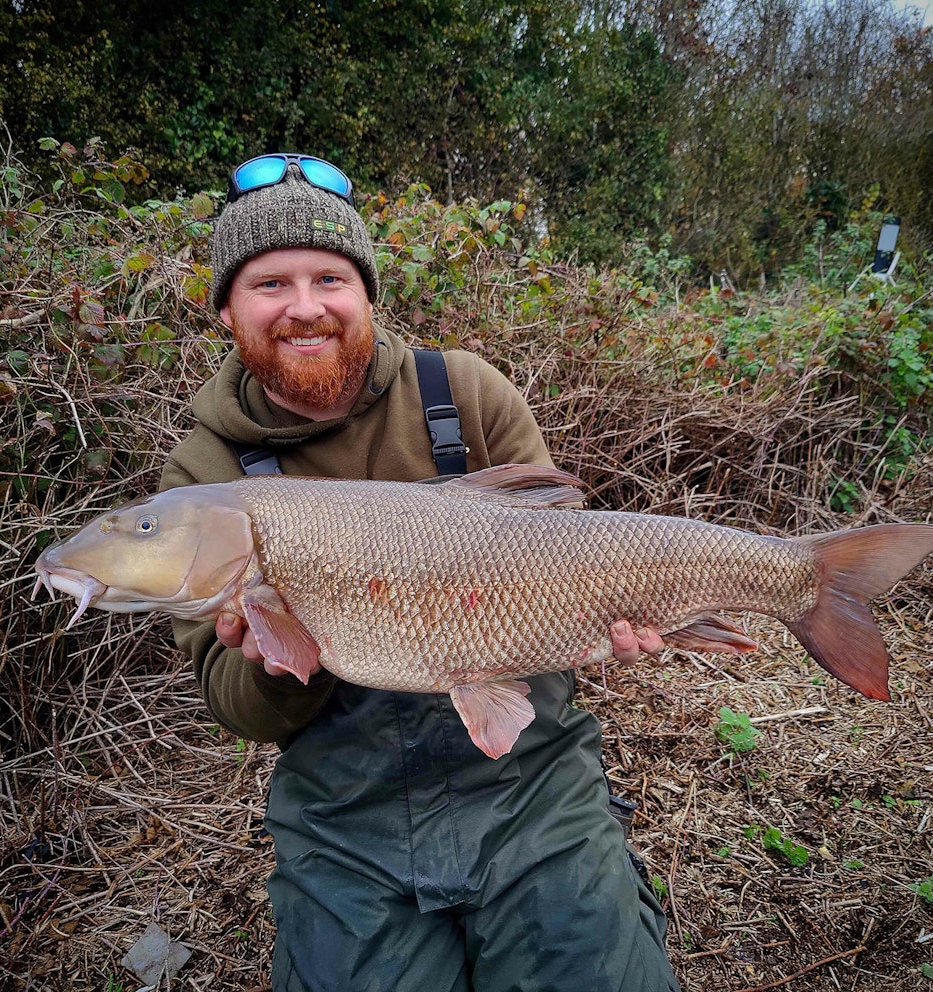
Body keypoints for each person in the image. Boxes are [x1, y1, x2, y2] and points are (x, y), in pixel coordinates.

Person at [161, 153, 682, 992]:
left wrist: (609, 620)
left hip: (530, 789)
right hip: (346, 816)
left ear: (366, 293)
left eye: (329, 277)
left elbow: (566, 550)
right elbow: (233, 704)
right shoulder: (206, 473)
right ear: (226, 308)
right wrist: (273, 655)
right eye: (268, 284)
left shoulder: (465, 391)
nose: (305, 307)